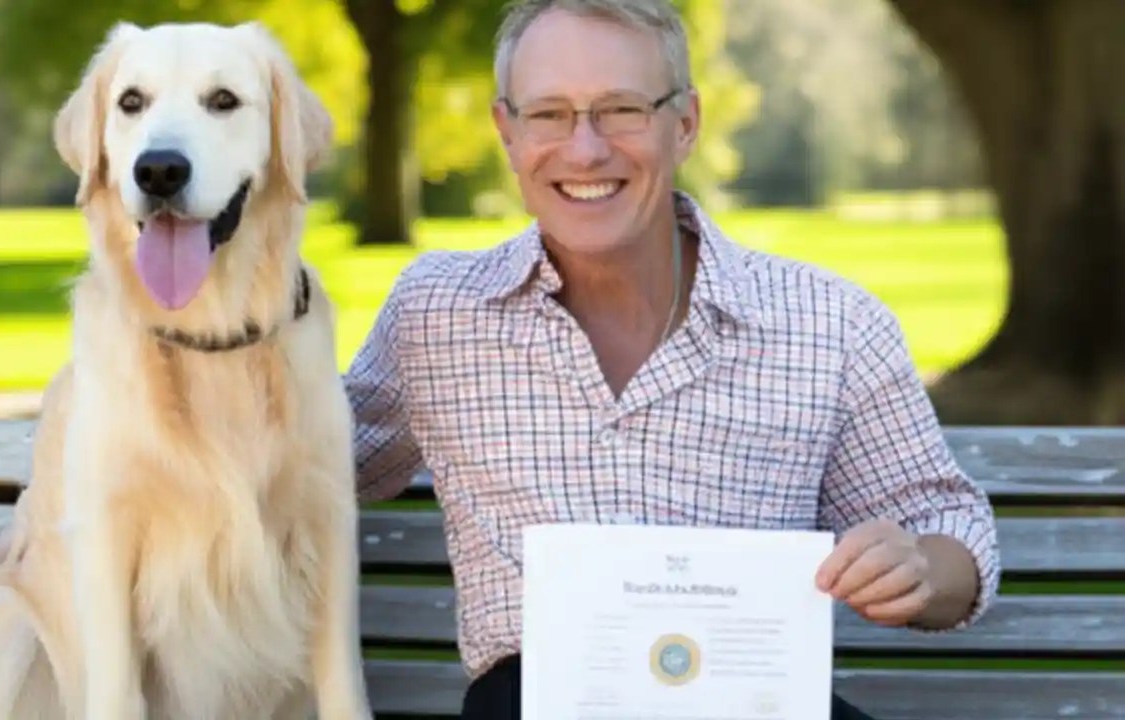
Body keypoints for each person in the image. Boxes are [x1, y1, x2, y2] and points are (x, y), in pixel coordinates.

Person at [343, 1, 1000, 718]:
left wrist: (917, 569)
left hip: (756, 702)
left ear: (684, 123)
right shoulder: (434, 313)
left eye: (621, 110)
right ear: (507, 130)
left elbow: (953, 530)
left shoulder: (830, 322)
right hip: (534, 702)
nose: (586, 149)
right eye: (549, 115)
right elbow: (325, 460)